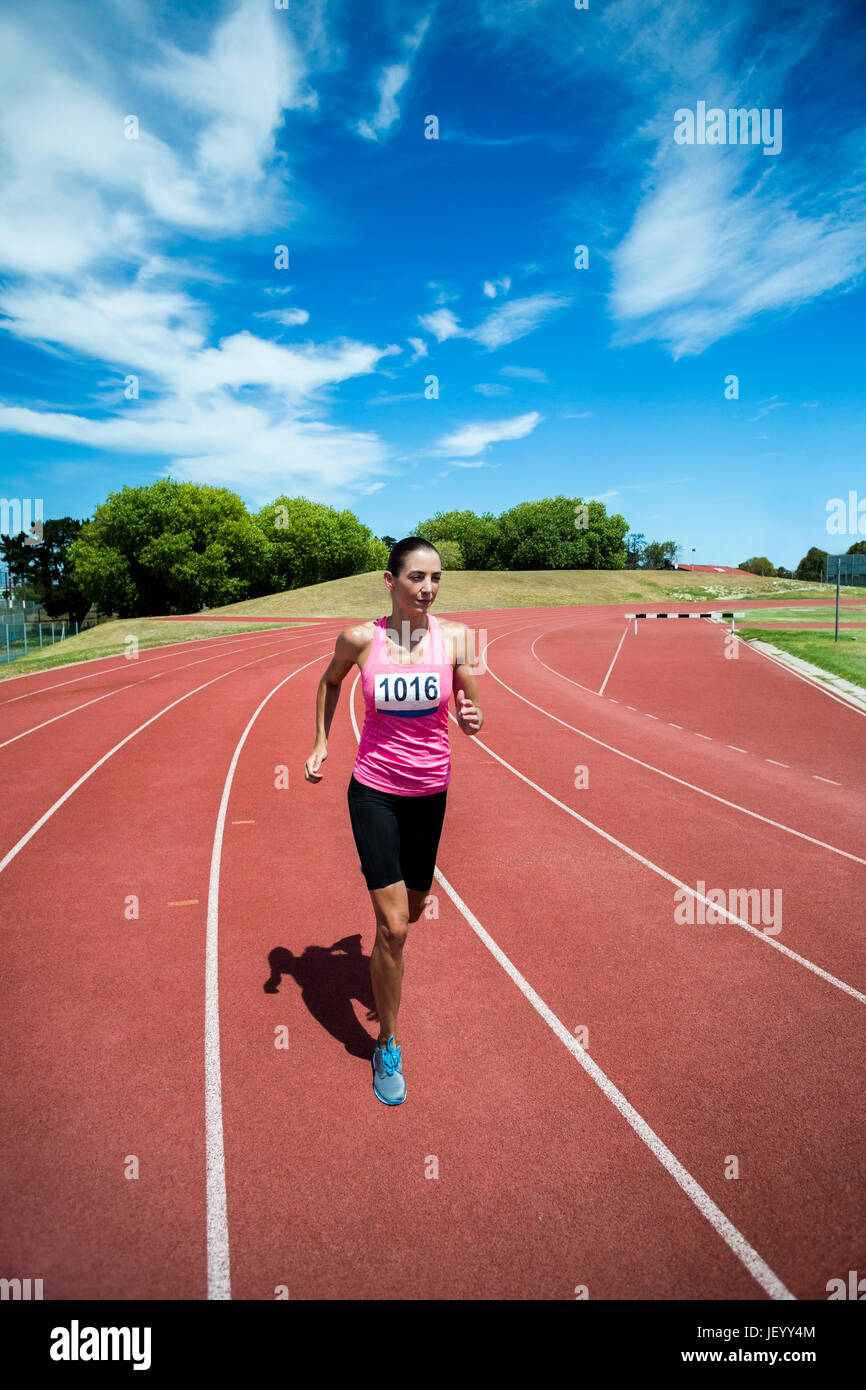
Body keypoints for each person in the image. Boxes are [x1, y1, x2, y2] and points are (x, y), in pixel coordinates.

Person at [303, 537, 483, 1105]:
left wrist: (473, 718)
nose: (427, 588)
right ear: (390, 581)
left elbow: (469, 710)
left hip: (431, 794)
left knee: (416, 909)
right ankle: (389, 1043)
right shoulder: (360, 640)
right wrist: (320, 744)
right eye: (416, 578)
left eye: (435, 578)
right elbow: (329, 683)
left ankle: (386, 954)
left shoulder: (454, 639)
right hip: (375, 791)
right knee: (393, 928)